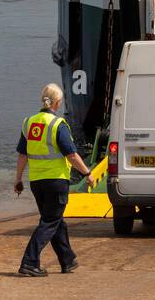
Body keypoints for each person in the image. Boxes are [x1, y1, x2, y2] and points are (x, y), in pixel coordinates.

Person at [14, 83, 96, 277]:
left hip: (37, 182)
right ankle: (29, 262)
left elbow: (22, 155)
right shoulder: (58, 125)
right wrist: (87, 173)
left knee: (56, 221)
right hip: (56, 182)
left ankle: (67, 260)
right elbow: (72, 156)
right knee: (50, 221)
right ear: (58, 102)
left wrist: (18, 179)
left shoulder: (29, 123)